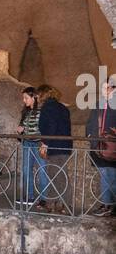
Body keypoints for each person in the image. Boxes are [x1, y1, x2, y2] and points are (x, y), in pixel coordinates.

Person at [37, 84, 73, 213]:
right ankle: (54, 203)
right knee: (58, 174)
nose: (36, 97)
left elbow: (50, 127)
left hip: (54, 145)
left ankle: (63, 205)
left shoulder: (48, 108)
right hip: (64, 146)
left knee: (56, 175)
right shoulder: (62, 107)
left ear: (42, 95)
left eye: (38, 94)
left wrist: (45, 144)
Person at [86, 73, 116, 217]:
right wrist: (90, 136)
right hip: (98, 146)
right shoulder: (99, 103)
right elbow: (91, 121)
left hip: (111, 147)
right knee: (106, 174)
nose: (104, 91)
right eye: (103, 88)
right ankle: (108, 204)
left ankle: (107, 205)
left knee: (108, 174)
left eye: (107, 88)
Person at [16, 86, 44, 206]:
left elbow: (44, 127)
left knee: (43, 170)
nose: (24, 100)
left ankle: (44, 198)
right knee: (26, 170)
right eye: (24, 98)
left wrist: (44, 143)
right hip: (27, 143)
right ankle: (29, 196)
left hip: (39, 143)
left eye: (26, 98)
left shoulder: (42, 111)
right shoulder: (26, 112)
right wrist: (20, 130)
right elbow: (23, 127)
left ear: (34, 97)